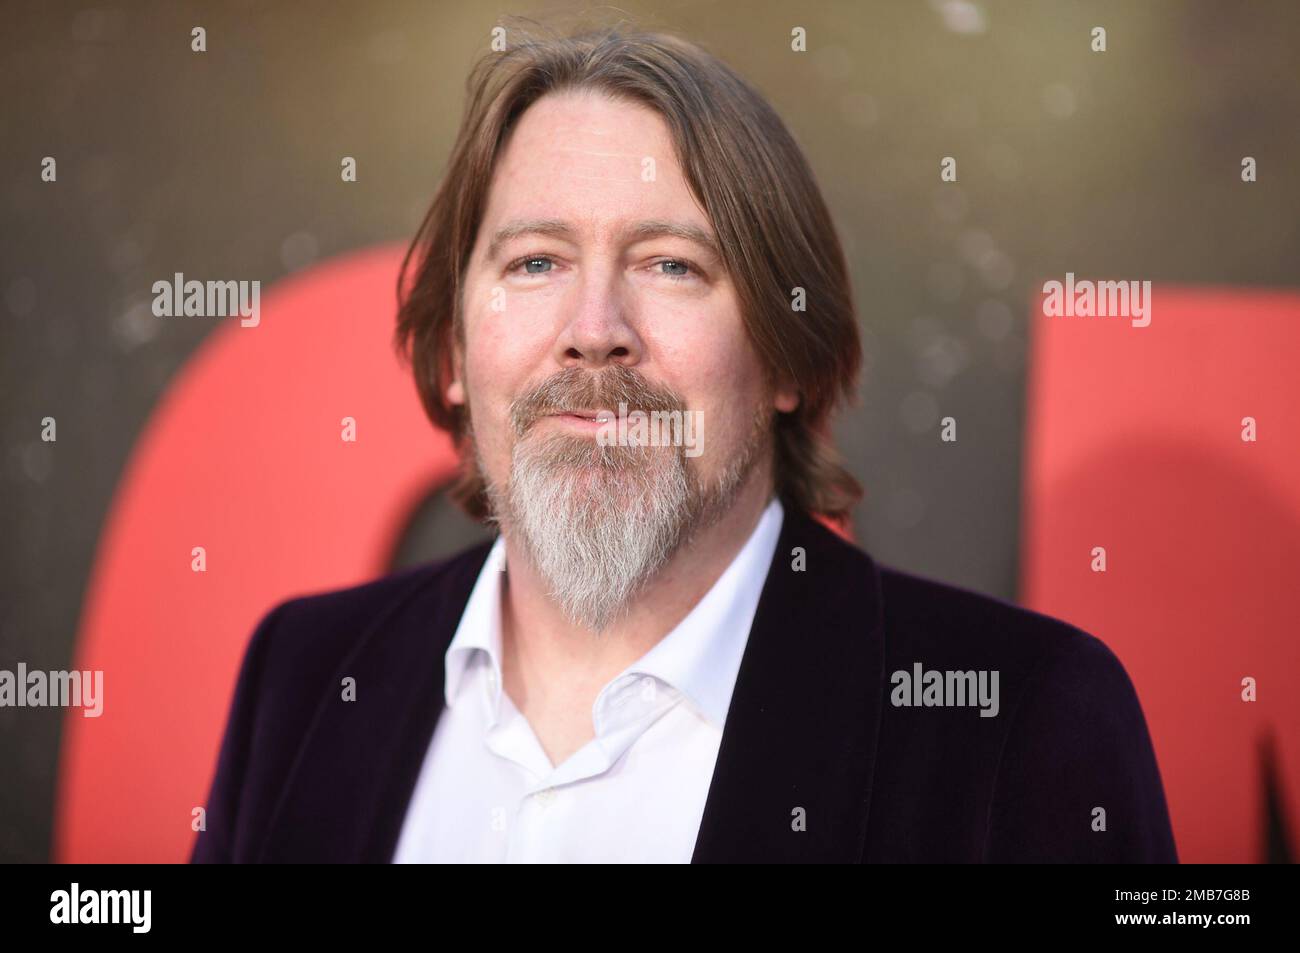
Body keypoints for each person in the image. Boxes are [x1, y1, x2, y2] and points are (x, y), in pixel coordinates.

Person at [191, 23, 1177, 863]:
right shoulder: (305, 674)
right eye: (534, 260)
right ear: (453, 349)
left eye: (671, 263)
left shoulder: (1021, 721)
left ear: (789, 354)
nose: (594, 325)